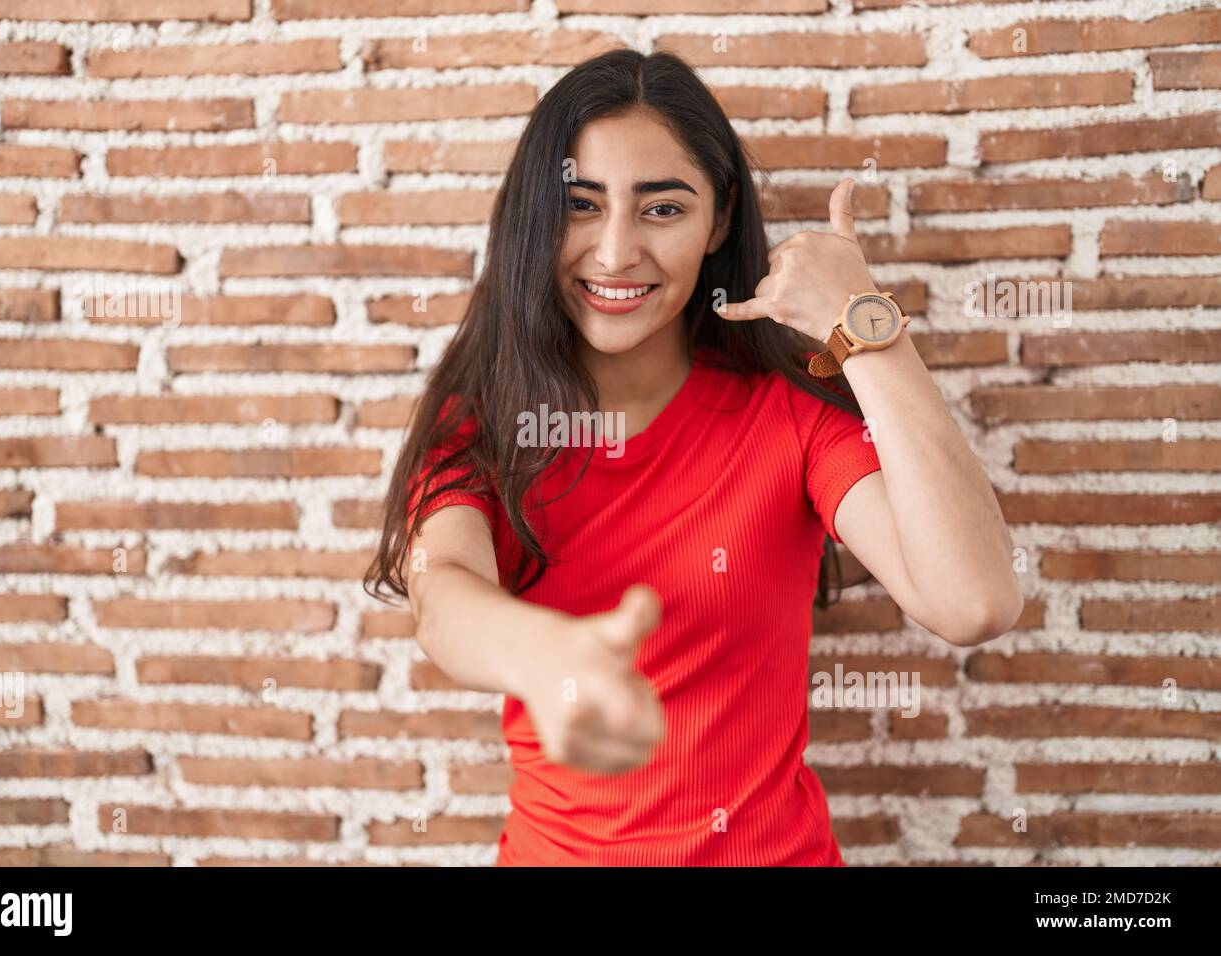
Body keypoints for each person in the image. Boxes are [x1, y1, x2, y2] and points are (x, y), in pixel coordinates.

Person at [363, 48, 1023, 866]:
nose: (613, 253)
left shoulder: (790, 414)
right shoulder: (483, 421)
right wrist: (546, 654)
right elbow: (444, 597)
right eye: (579, 204)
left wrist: (865, 327)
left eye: (661, 210)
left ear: (718, 221)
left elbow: (975, 603)